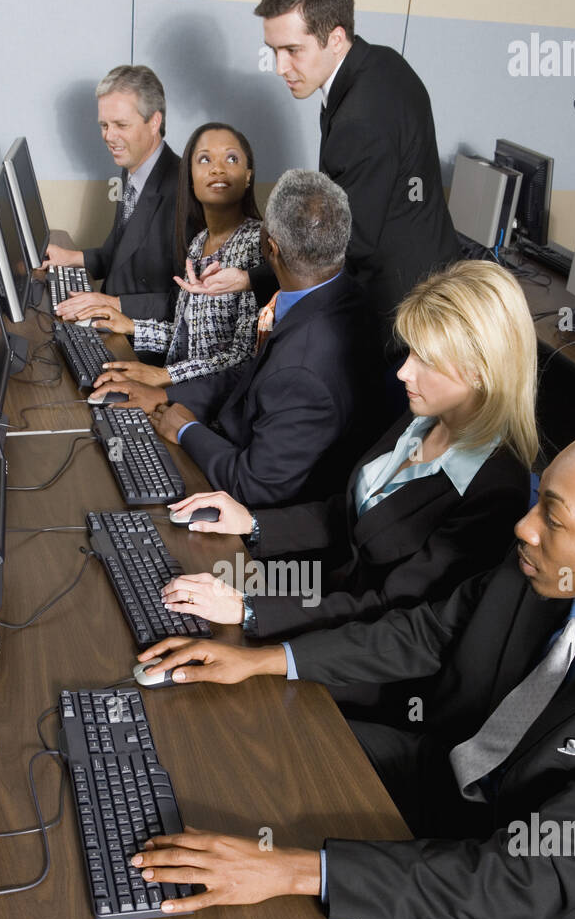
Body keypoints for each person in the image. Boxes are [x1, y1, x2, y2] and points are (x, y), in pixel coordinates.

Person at [132, 423, 575, 919]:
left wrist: (293, 870)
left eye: (553, 517)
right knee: (257, 747)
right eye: (539, 500)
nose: (525, 525)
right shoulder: (544, 562)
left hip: (530, 913)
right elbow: (427, 633)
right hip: (451, 782)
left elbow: (529, 874)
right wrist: (264, 659)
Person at [160, 261, 535, 726]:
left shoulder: (495, 488)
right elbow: (354, 513)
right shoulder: (426, 415)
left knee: (202, 708)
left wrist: (251, 610)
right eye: (410, 352)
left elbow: (390, 610)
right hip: (318, 597)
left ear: (480, 372)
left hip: (359, 662)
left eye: (426, 360)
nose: (404, 372)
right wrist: (253, 522)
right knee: (174, 584)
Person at [177, 0, 459, 353]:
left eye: (293, 50)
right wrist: (248, 277)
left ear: (336, 39)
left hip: (399, 312)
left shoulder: (361, 118)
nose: (280, 67)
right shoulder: (382, 62)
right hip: (428, 284)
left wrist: (255, 278)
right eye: (274, 50)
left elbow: (346, 243)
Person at [102, 170, 384, 508]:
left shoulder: (301, 368)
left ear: (270, 246)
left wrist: (186, 430)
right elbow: (252, 376)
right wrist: (165, 395)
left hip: (265, 506)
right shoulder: (347, 292)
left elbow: (253, 485)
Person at [74, 123, 263, 393]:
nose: (217, 169)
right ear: (190, 177)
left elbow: (244, 357)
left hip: (213, 399)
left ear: (248, 176)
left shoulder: (256, 244)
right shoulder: (199, 243)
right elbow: (187, 339)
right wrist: (131, 326)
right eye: (205, 159)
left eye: (231, 158)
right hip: (183, 388)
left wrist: (163, 375)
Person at [46, 65, 180, 321]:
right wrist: (71, 257)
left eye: (121, 125)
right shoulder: (133, 167)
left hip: (140, 332)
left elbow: (188, 302)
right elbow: (121, 254)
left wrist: (113, 304)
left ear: (154, 122)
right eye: (104, 125)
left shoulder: (184, 191)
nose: (109, 136)